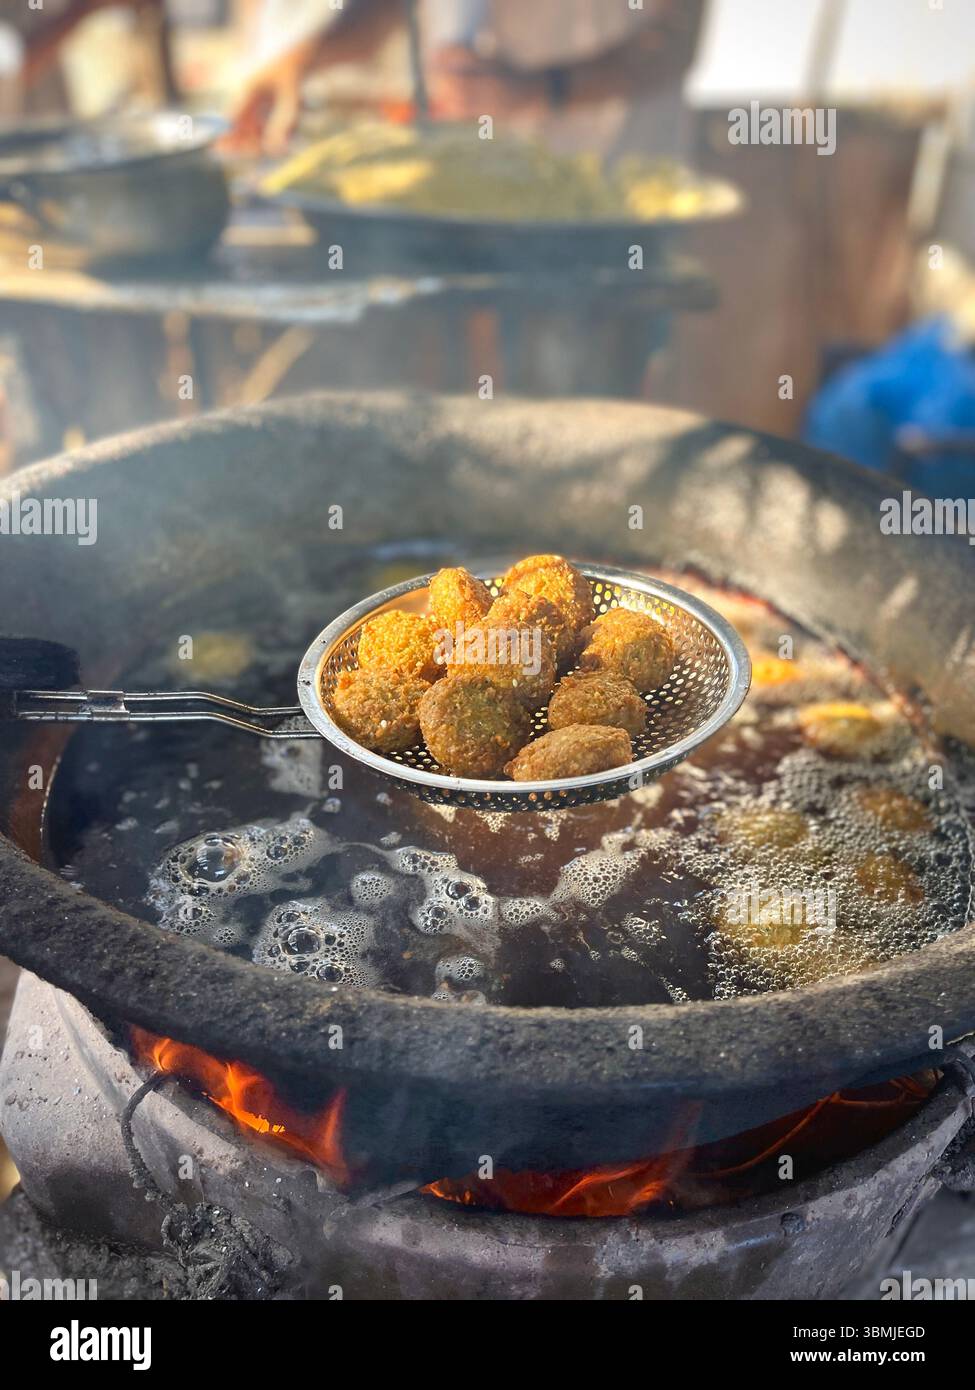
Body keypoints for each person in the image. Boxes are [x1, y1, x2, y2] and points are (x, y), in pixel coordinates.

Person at [228, 0, 706, 159]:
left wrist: (540, 91)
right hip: (479, 184)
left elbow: (675, 38)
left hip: (618, 183)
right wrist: (301, 59)